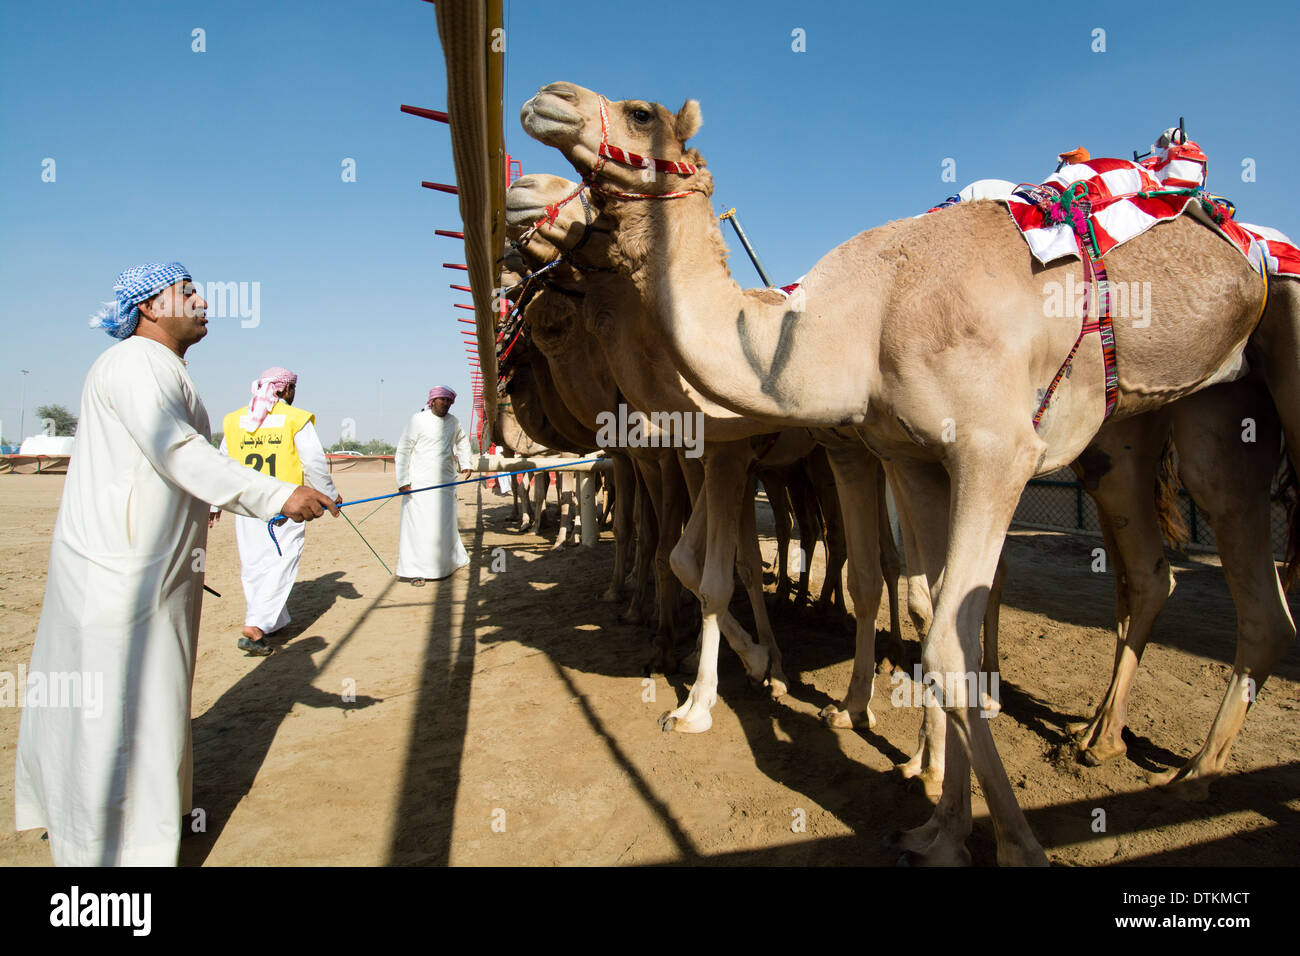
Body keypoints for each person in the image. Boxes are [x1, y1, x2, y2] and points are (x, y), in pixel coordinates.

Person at [13, 262, 338, 867]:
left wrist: (203, 502)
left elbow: (163, 464)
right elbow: (176, 449)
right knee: (114, 705)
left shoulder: (162, 367)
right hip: (120, 573)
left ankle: (147, 819)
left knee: (151, 699)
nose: (204, 301)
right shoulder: (135, 364)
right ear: (151, 308)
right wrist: (277, 495)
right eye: (188, 292)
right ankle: (106, 848)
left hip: (152, 565)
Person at [214, 367, 341, 655]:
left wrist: (214, 504)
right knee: (282, 561)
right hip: (285, 505)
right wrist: (331, 496)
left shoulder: (234, 420)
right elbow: (315, 463)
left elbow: (220, 465)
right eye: (293, 389)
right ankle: (256, 626)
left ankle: (274, 620)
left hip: (247, 507)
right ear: (284, 390)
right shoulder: (295, 419)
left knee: (255, 563)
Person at [394, 386, 474, 585]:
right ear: (432, 401)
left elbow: (462, 442)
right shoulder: (417, 420)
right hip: (419, 486)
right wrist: (403, 481)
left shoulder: (454, 422)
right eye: (442, 400)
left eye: (448, 401)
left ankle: (445, 566)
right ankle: (417, 571)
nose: (445, 404)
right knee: (420, 528)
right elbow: (403, 450)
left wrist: (466, 464)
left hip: (446, 483)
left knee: (443, 527)